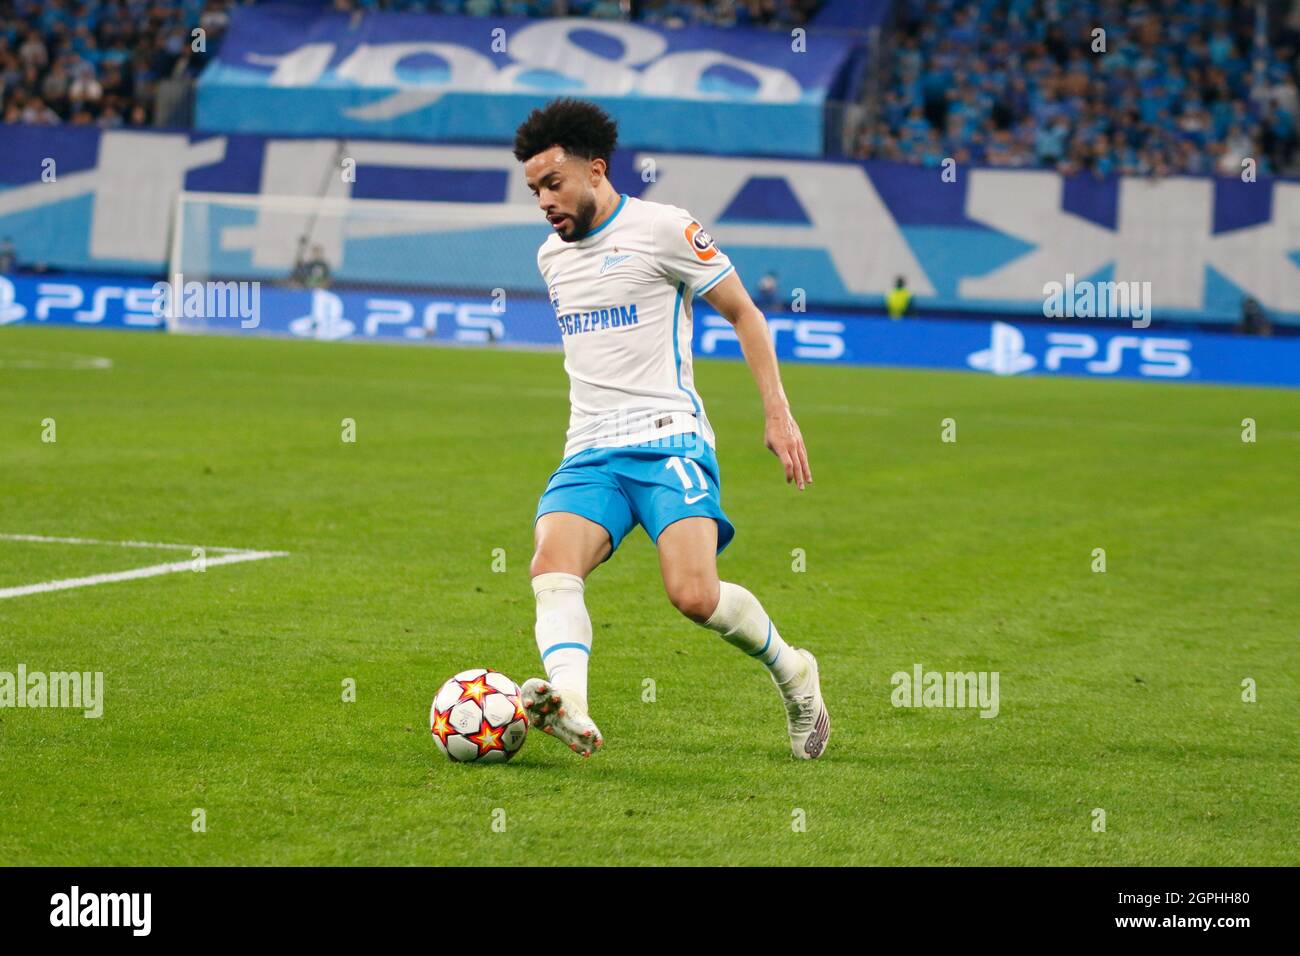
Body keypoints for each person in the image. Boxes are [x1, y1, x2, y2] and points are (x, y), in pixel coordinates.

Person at [512, 98, 828, 760]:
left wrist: (777, 411)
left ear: (595, 170)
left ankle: (795, 672)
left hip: (667, 440)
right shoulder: (552, 256)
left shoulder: (665, 229)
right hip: (590, 451)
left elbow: (744, 313)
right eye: (534, 189)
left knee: (693, 595)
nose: (543, 200)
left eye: (553, 183)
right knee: (551, 565)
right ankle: (570, 702)